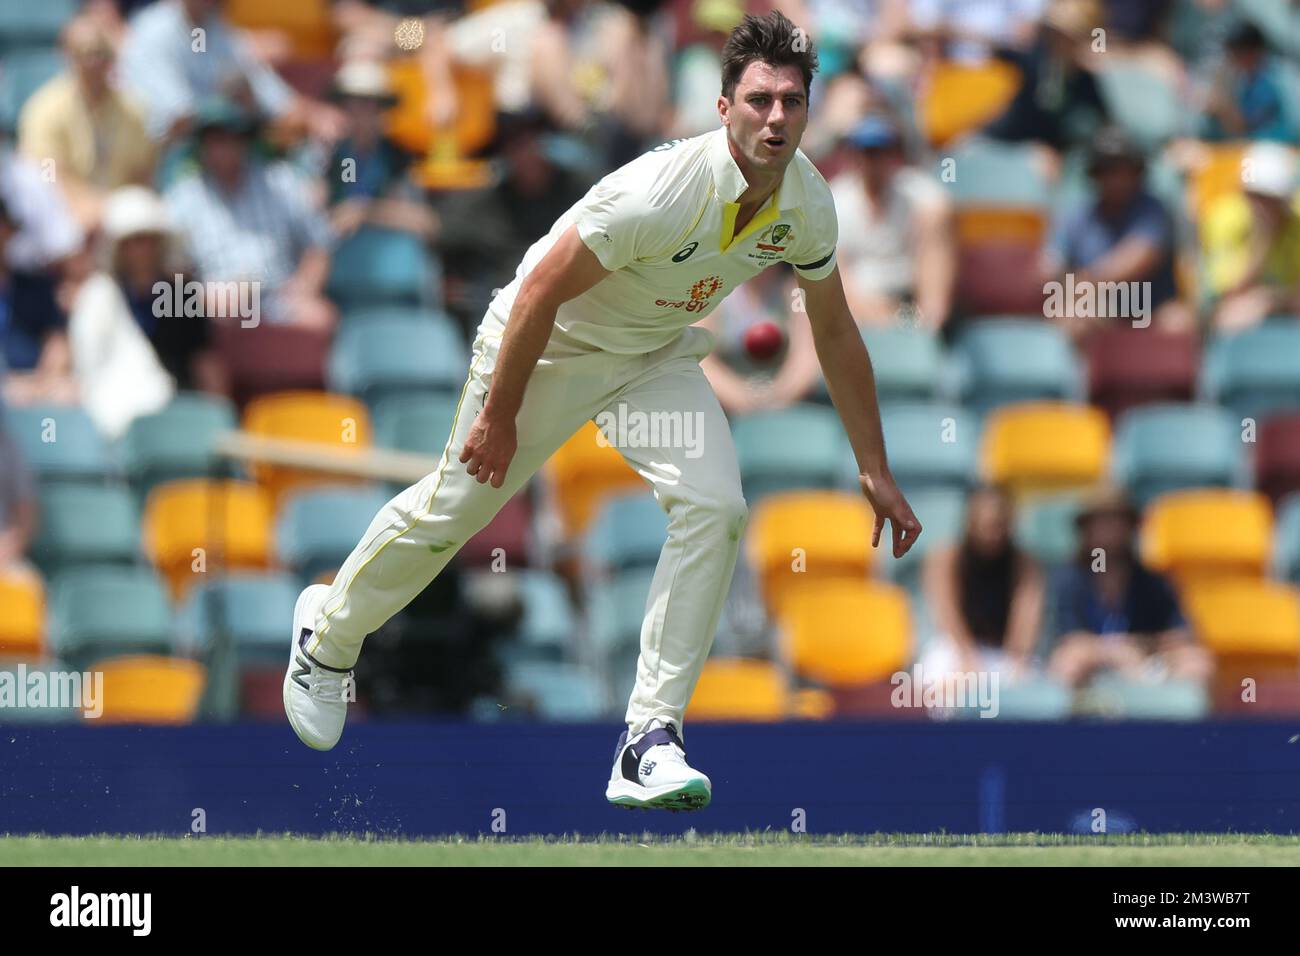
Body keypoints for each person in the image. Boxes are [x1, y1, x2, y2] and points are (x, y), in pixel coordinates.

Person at [283, 12, 922, 812]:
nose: (776, 117)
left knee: (717, 508)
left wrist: (874, 467)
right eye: (759, 99)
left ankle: (648, 738)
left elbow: (833, 329)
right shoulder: (657, 190)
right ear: (723, 108)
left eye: (792, 101)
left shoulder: (808, 203)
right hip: (547, 344)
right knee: (457, 510)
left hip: (652, 354)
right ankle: (328, 637)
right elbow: (542, 289)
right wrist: (501, 414)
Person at [165, 100, 336, 330]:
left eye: (233, 138)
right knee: (182, 318)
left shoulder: (281, 183)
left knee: (320, 319)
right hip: (214, 302)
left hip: (276, 296)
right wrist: (200, 296)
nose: (225, 148)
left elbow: (320, 242)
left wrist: (304, 286)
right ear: (202, 147)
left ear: (246, 142)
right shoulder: (183, 198)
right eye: (216, 140)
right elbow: (168, 267)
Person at [1048, 486, 1212, 688]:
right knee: (1069, 661)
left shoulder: (1152, 581)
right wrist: (1112, 652)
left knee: (1197, 663)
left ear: (1130, 527)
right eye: (1100, 523)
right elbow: (1068, 637)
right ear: (1086, 531)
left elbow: (1180, 634)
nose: (1108, 532)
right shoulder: (1070, 579)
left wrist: (1137, 646)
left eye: (1115, 521)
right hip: (1091, 662)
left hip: (1145, 660)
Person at [1042, 125, 1187, 335]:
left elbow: (1141, 257)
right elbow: (1052, 266)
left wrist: (1087, 281)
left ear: (1138, 172)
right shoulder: (1078, 216)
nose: (1115, 178)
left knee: (1178, 322)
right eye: (1107, 169)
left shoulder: (1153, 211)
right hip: (1099, 307)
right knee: (1068, 315)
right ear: (1095, 173)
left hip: (1150, 308)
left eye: (1123, 169)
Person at [17, 15, 156, 233]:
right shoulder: (44, 110)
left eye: (99, 53)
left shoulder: (134, 110)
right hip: (63, 219)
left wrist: (116, 211)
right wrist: (92, 210)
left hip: (124, 220)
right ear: (67, 56)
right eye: (83, 54)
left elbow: (142, 174)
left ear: (111, 58)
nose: (93, 62)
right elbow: (46, 179)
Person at [830, 113, 955, 330]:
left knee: (936, 226)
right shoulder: (836, 200)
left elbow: (938, 220)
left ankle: (927, 332)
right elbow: (837, 275)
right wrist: (878, 317)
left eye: (881, 151)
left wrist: (928, 316)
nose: (873, 160)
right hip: (853, 309)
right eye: (866, 152)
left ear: (893, 154)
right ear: (853, 155)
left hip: (909, 301)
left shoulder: (918, 194)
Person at [919, 485, 1044, 682]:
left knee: (1027, 682)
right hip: (956, 648)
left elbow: (1026, 619)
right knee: (937, 676)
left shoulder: (1024, 563)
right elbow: (946, 614)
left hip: (1003, 652)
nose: (992, 535)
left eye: (999, 526)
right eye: (987, 526)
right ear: (971, 522)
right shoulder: (946, 558)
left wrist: (1015, 661)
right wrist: (968, 658)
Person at [1201, 140, 1300, 332]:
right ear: (1245, 194)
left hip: (1284, 306)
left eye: (1273, 198)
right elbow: (1228, 293)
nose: (1266, 205)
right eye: (1258, 196)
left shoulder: (1296, 218)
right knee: (1233, 317)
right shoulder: (1224, 217)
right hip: (1239, 309)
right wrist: (1264, 238)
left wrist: (1273, 301)